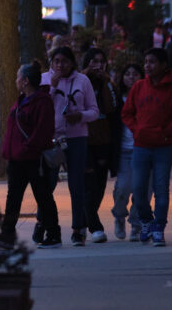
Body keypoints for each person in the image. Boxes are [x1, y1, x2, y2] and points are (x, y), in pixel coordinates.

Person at [121, 48, 172, 245]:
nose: (147, 66)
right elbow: (127, 113)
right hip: (141, 146)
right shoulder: (138, 87)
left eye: (152, 62)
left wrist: (166, 131)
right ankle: (146, 220)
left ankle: (159, 227)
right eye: (146, 62)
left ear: (163, 65)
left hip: (163, 147)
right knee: (138, 189)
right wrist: (137, 130)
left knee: (161, 188)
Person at [0, 62, 60, 246]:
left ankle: (53, 234)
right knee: (13, 198)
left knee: (42, 196)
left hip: (33, 159)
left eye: (18, 76)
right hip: (17, 159)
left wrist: (26, 148)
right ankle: (7, 234)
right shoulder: (21, 100)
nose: (16, 80)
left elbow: (43, 130)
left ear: (25, 81)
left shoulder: (42, 101)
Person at [47, 46, 100, 245]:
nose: (60, 65)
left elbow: (94, 111)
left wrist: (80, 116)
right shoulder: (45, 79)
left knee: (76, 184)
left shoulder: (82, 81)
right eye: (56, 61)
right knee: (47, 184)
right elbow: (40, 107)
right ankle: (45, 225)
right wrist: (52, 87)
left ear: (72, 63)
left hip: (77, 137)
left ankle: (79, 228)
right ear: (51, 63)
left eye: (65, 61)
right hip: (51, 139)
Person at [80, 48, 119, 244]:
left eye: (101, 61)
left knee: (100, 186)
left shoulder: (108, 83)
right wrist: (85, 76)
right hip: (83, 140)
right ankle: (95, 226)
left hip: (104, 140)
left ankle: (85, 220)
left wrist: (105, 81)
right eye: (93, 61)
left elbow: (112, 106)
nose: (97, 65)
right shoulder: (79, 81)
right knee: (89, 185)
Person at [109, 61, 143, 240]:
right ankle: (119, 216)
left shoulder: (146, 96)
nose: (131, 77)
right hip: (123, 150)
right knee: (123, 187)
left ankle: (136, 224)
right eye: (128, 74)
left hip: (142, 149)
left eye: (135, 73)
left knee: (141, 189)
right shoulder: (117, 98)